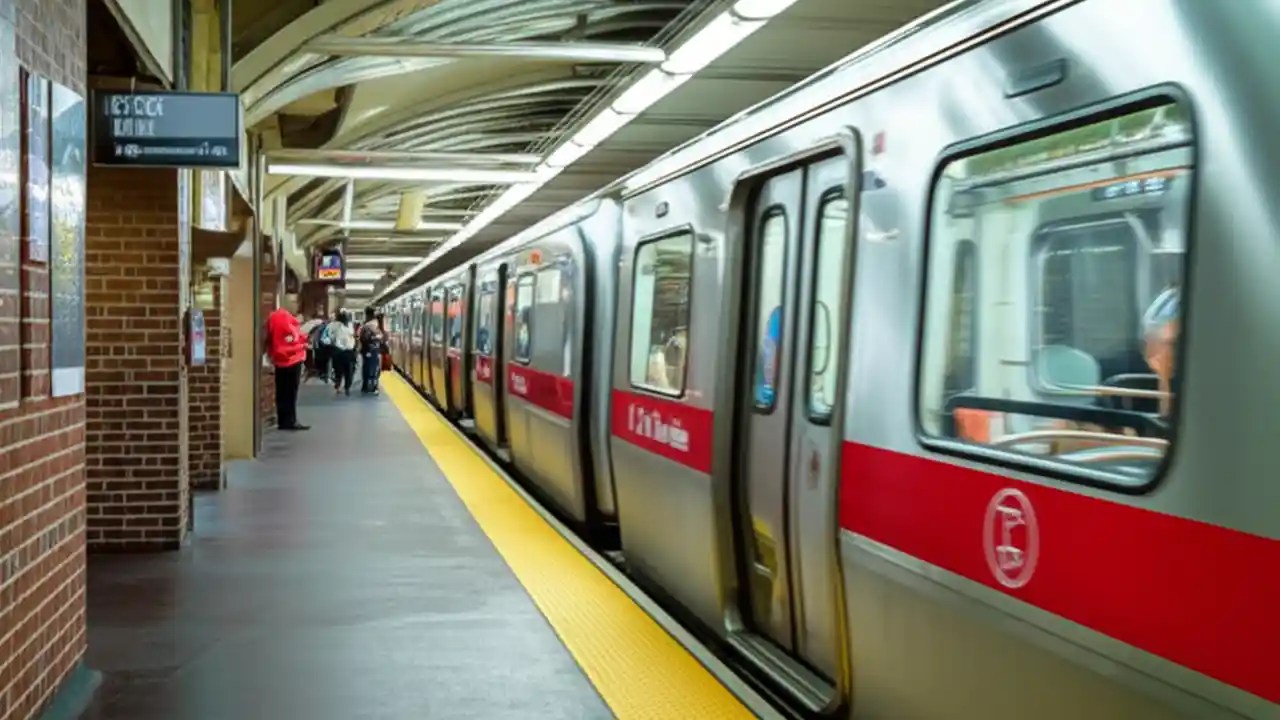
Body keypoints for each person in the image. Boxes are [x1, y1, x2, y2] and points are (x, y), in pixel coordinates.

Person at [265, 303, 311, 430]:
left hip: (279, 360)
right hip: (292, 359)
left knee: (281, 392)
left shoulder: (273, 318)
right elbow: (292, 339)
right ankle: (290, 420)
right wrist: (303, 345)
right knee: (291, 393)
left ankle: (282, 420)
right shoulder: (286, 319)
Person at [328, 310, 357, 396]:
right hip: (348, 350)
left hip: (338, 351)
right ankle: (346, 387)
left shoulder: (332, 325)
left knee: (338, 370)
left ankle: (339, 386)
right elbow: (353, 336)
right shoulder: (349, 326)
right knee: (349, 370)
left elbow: (330, 336)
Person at [360, 307, 385, 395]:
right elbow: (382, 337)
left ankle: (366, 386)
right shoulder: (376, 325)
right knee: (374, 369)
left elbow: (362, 338)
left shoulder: (366, 325)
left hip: (367, 351)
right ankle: (373, 386)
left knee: (367, 368)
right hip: (374, 350)